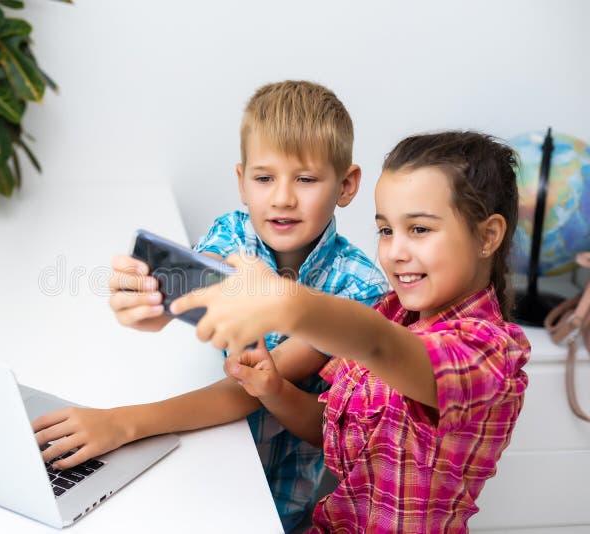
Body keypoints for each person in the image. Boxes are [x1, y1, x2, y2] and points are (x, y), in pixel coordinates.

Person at [32, 80, 387, 531]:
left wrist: (122, 424)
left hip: (274, 495)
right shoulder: (232, 234)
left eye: (306, 179)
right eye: (264, 178)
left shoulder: (359, 289)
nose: (282, 197)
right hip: (208, 462)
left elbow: (252, 386)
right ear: (241, 182)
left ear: (347, 184)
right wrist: (149, 305)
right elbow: (187, 293)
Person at [170, 131, 531, 532]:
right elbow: (328, 430)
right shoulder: (392, 313)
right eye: (386, 230)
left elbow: (380, 346)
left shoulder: (493, 353)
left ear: (487, 236)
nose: (395, 252)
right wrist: (273, 389)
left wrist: (289, 303)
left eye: (420, 230)